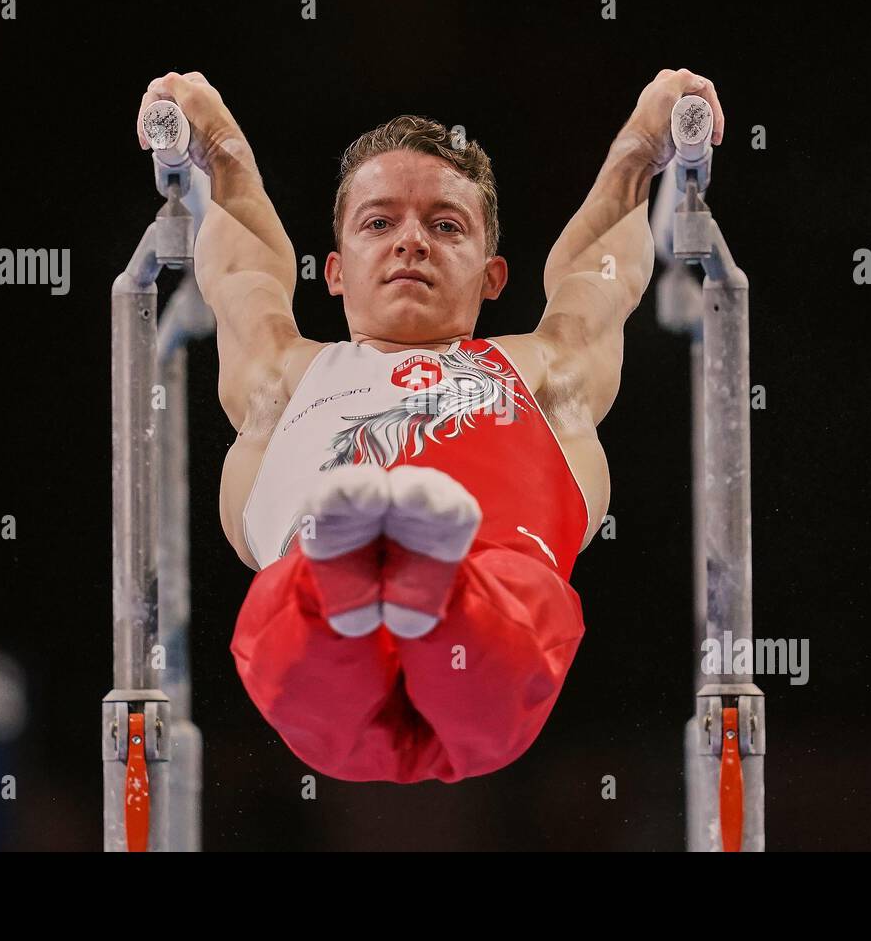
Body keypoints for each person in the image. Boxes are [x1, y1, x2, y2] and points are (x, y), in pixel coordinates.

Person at [135, 69, 725, 783]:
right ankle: (357, 576)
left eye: (445, 226)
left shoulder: (542, 367)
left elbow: (599, 267)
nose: (410, 241)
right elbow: (245, 266)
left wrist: (645, 139)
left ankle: (428, 579)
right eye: (379, 222)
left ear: (493, 274)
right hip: (327, 644)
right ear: (334, 271)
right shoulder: (283, 375)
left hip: (495, 635)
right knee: (287, 619)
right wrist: (216, 138)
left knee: (504, 607)